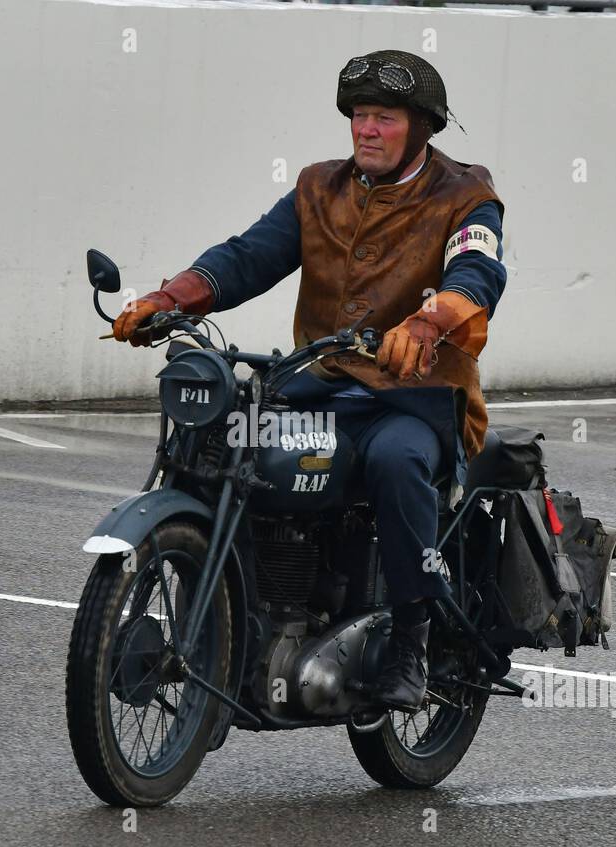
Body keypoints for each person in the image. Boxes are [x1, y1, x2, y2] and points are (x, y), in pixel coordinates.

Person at [113, 50, 507, 713]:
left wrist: (430, 322)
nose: (366, 130)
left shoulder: (463, 194)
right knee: (225, 435)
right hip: (318, 385)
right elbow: (249, 256)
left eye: (383, 117)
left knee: (394, 460)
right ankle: (236, 606)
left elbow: (478, 271)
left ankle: (411, 637)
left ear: (420, 127)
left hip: (412, 397)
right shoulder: (318, 188)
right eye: (358, 116)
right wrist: (172, 297)